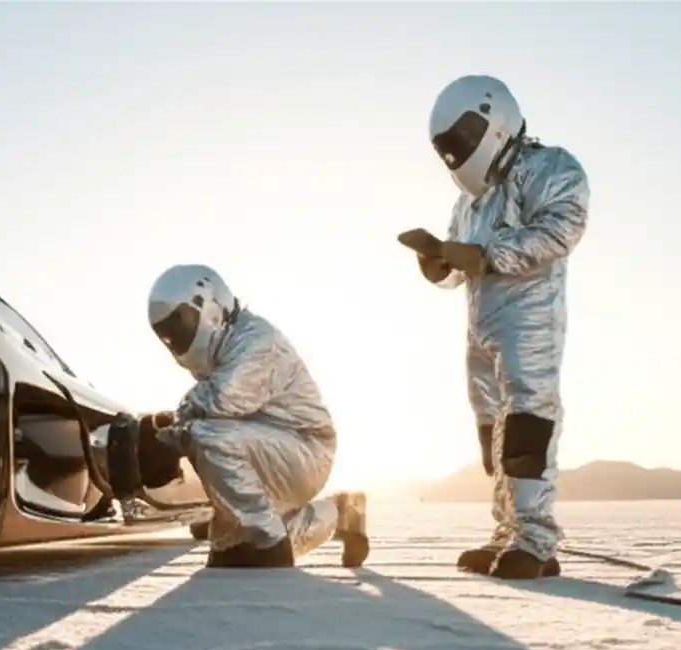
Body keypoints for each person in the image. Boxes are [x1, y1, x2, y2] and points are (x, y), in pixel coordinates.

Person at [405, 74, 590, 580]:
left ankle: (535, 539)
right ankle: (506, 532)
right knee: (494, 434)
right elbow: (463, 260)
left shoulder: (550, 167)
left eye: (460, 142)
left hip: (528, 320)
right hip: (480, 327)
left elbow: (561, 229)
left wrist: (486, 254)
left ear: (491, 122)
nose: (455, 155)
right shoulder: (470, 203)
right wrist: (440, 266)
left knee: (528, 426)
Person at [145, 263, 369, 569]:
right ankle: (341, 511)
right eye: (167, 335)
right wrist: (170, 427)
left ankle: (266, 539)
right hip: (272, 446)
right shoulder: (224, 347)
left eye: (179, 326)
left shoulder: (257, 341)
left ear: (209, 308)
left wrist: (166, 431)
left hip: (307, 449)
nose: (174, 340)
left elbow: (222, 400)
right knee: (254, 542)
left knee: (203, 437)